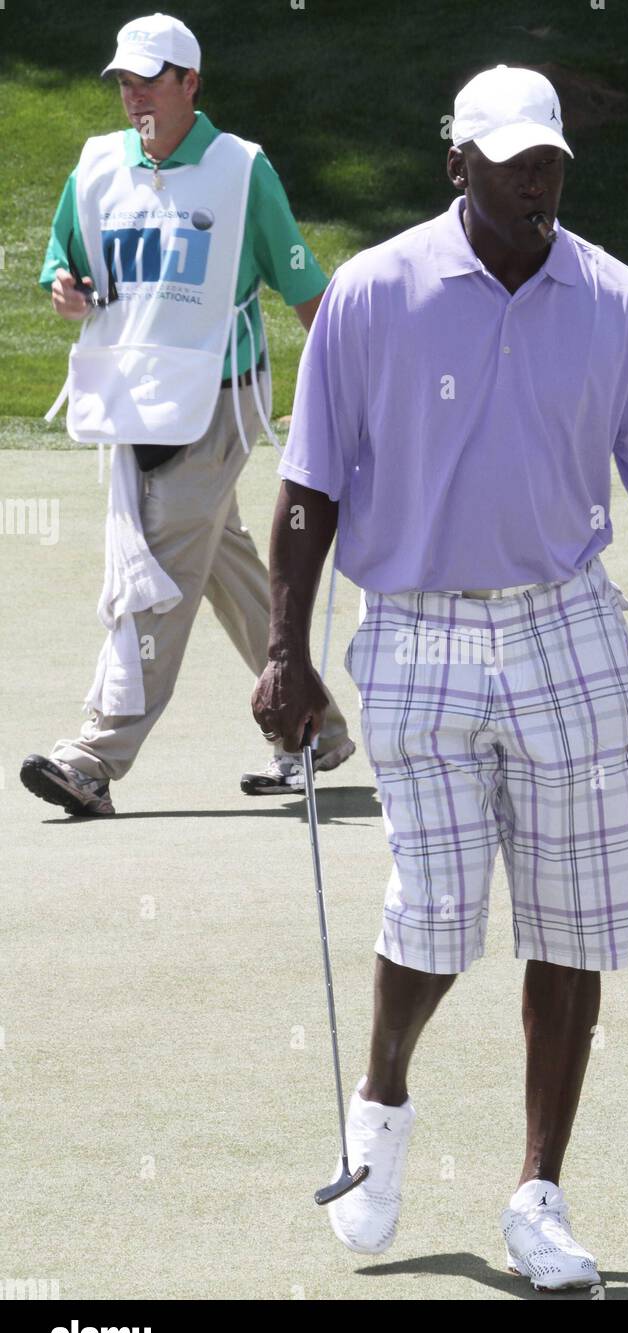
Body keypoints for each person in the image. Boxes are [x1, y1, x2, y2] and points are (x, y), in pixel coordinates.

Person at [252, 64, 628, 1292]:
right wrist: (284, 647)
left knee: (572, 920)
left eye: (546, 160)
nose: (534, 180)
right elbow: (308, 488)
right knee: (434, 907)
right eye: (507, 161)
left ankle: (537, 1193)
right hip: (418, 633)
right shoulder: (371, 296)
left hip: (567, 627)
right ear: (457, 167)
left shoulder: (621, 304)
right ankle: (379, 1108)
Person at [20, 12, 353, 819]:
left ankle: (96, 755)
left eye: (148, 79)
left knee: (159, 571)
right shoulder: (99, 164)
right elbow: (61, 261)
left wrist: (362, 387)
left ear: (190, 83)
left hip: (218, 403)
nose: (132, 94)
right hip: (134, 403)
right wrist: (63, 286)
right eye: (123, 81)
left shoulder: (242, 170)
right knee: (220, 562)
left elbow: (310, 293)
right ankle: (315, 729)